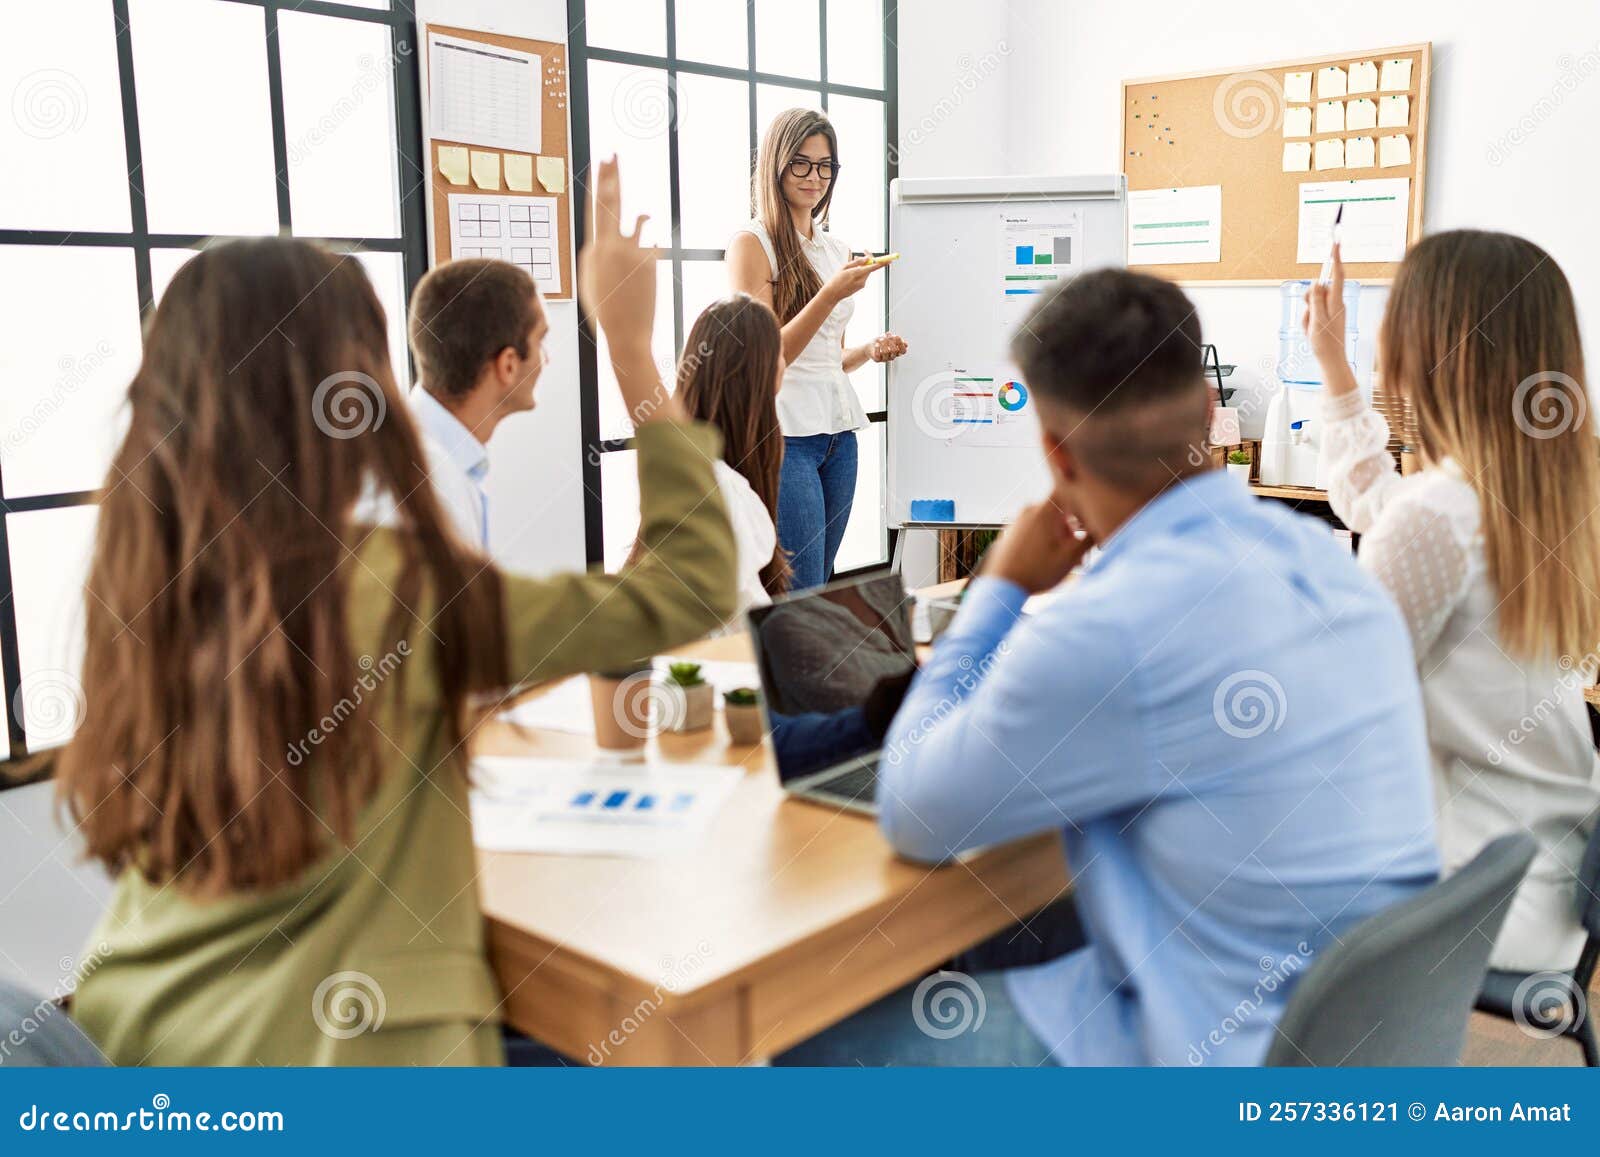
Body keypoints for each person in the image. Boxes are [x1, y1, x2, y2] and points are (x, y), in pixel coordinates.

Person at [52, 158, 737, 1066]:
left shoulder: (143, 583)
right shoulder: (398, 586)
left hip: (137, 1034)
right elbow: (691, 582)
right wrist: (629, 342)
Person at [775, 268, 1440, 1067]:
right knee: (1016, 930)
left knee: (807, 1038)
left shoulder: (1110, 628)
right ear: (1208, 413)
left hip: (1204, 1058)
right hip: (1354, 1045)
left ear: (1055, 455)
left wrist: (999, 591)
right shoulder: (1333, 568)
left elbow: (915, 813)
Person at [1306, 233, 1600, 973]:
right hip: (1545, 873)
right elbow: (1382, 503)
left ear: (1425, 346)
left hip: (1474, 895)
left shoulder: (1440, 517)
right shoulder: (1544, 498)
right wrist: (1335, 369)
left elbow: (1326, 721)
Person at [727, 107, 908, 589]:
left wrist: (869, 350)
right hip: (785, 436)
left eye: (826, 165)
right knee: (799, 586)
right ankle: (786, 666)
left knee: (823, 580)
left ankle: (813, 666)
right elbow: (772, 359)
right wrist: (831, 294)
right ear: (776, 165)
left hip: (839, 434)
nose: (815, 177)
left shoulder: (834, 248)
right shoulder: (752, 243)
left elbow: (828, 358)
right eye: (801, 163)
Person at [355, 258, 548, 550]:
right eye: (540, 342)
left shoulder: (437, 458)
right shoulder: (430, 485)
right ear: (508, 364)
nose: (546, 359)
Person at [673, 295, 789, 619]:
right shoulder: (727, 492)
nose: (785, 363)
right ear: (759, 373)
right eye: (779, 353)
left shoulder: (691, 471)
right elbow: (748, 629)